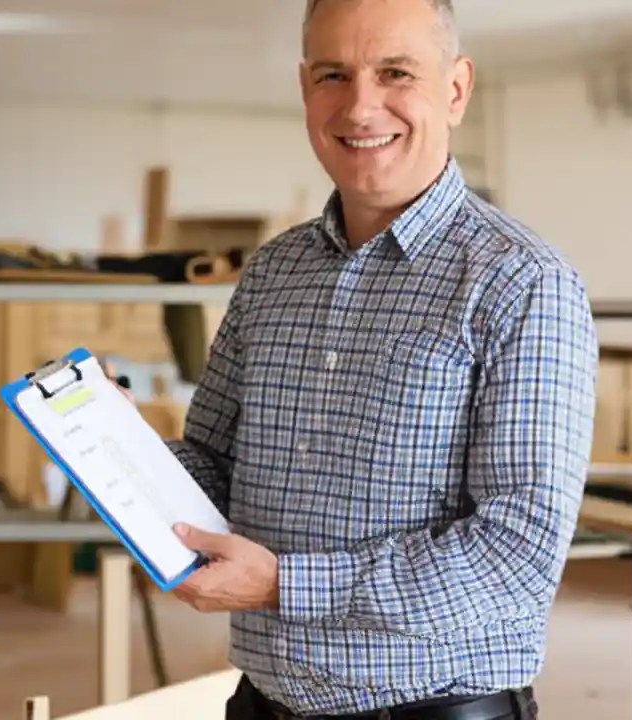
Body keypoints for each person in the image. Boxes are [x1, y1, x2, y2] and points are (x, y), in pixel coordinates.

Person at [160, 0, 599, 717]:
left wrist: (284, 586)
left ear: (455, 90)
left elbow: (515, 557)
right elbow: (210, 463)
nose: (361, 107)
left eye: (395, 72)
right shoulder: (274, 272)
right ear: (306, 89)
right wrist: (114, 453)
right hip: (262, 702)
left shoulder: (521, 282)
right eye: (334, 75)